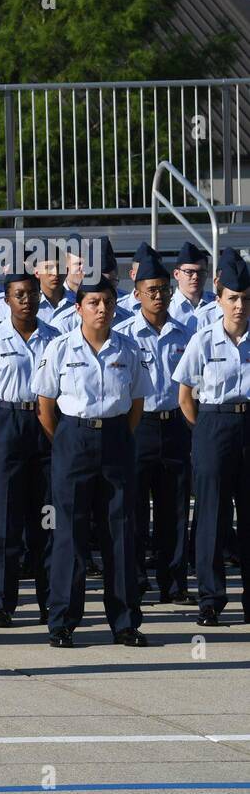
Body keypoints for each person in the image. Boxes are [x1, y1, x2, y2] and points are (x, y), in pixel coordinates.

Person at [33, 273, 152, 648]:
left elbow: (136, 404)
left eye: (108, 302)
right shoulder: (60, 348)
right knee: (70, 533)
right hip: (73, 438)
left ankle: (125, 621)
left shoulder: (129, 349)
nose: (102, 309)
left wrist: (114, 435)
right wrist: (70, 439)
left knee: (120, 531)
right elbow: (45, 406)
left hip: (116, 438)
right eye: (93, 303)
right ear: (78, 307)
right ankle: (63, 621)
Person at [0, 265, 60, 626]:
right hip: (6, 424)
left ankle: (50, 600)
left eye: (32, 293)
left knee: (46, 520)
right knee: (4, 520)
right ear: (6, 300)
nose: (27, 300)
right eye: (19, 295)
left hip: (44, 426)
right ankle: (2, 603)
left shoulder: (54, 338)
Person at [174, 250, 250, 627]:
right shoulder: (204, 339)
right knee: (210, 516)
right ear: (219, 298)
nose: (239, 306)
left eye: (245, 298)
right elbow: (185, 394)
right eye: (233, 298)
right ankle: (210, 598)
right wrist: (204, 431)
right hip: (214, 423)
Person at [118, 251, 193, 605]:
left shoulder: (187, 333)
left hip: (175, 425)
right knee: (133, 510)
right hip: (138, 426)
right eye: (151, 290)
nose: (159, 296)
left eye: (164, 289)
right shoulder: (124, 336)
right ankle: (136, 578)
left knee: (175, 509)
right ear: (136, 294)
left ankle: (174, 582)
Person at [169, 241, 213, 333]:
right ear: (176, 274)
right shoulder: (167, 308)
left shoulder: (217, 304)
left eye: (201, 272)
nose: (195, 277)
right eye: (189, 272)